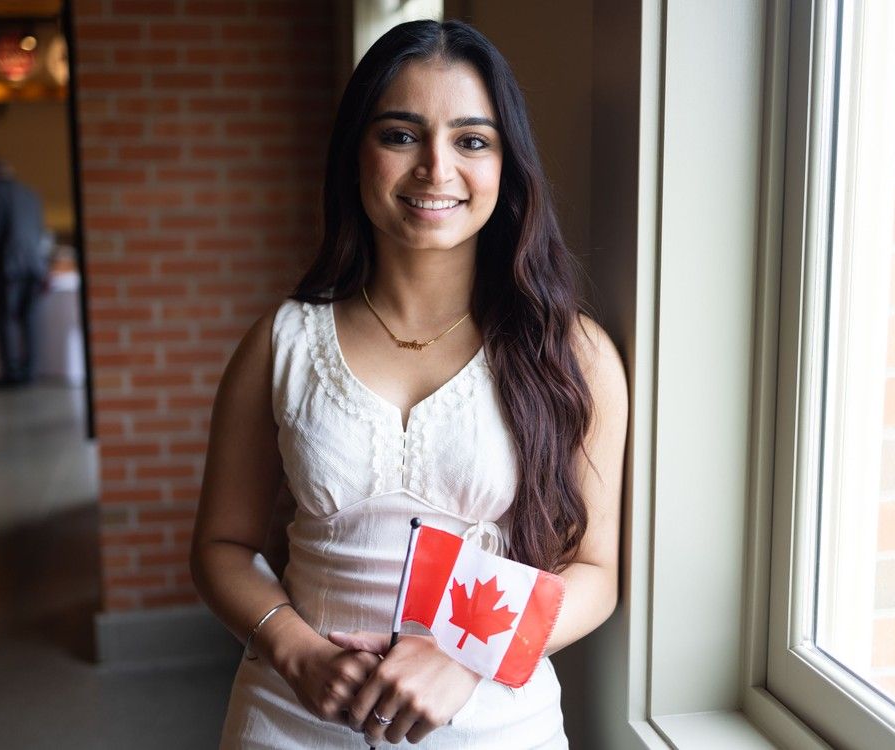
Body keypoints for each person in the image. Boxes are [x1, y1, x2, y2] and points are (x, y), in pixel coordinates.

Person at [191, 19, 627, 749]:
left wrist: (470, 655)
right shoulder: (284, 342)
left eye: (471, 140)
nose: (435, 167)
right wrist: (298, 653)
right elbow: (221, 547)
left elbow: (595, 574)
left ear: (506, 165)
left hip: (495, 724)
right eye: (400, 135)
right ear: (355, 155)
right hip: (291, 719)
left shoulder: (570, 350)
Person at [0, 157, 48, 387]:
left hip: (10, 265)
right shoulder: (30, 193)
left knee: (6, 319)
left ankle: (11, 374)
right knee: (29, 320)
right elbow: (40, 231)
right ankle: (30, 373)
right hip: (35, 264)